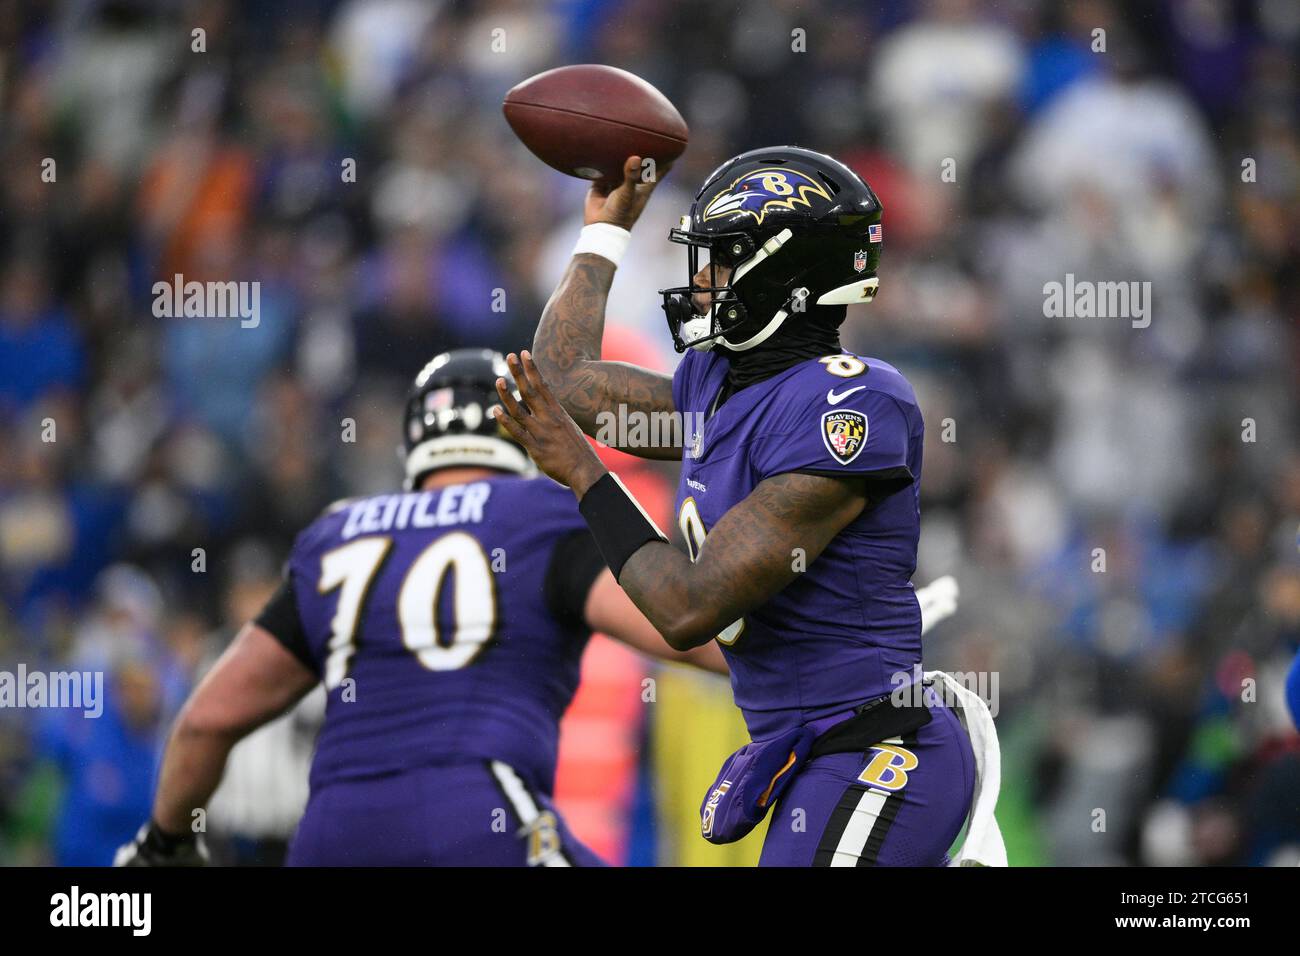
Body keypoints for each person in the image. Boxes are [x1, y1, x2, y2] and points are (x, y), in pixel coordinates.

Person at [506, 147, 983, 866]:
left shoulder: (849, 404)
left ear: (787, 278)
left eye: (721, 261)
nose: (699, 281)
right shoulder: (715, 385)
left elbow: (687, 608)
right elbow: (566, 378)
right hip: (809, 755)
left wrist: (581, 471)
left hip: (880, 750)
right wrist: (606, 232)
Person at [115, 348, 724, 867]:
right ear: (517, 427)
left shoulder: (338, 533)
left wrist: (161, 844)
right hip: (474, 809)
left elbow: (207, 721)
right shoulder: (539, 513)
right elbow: (684, 625)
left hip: (331, 832)